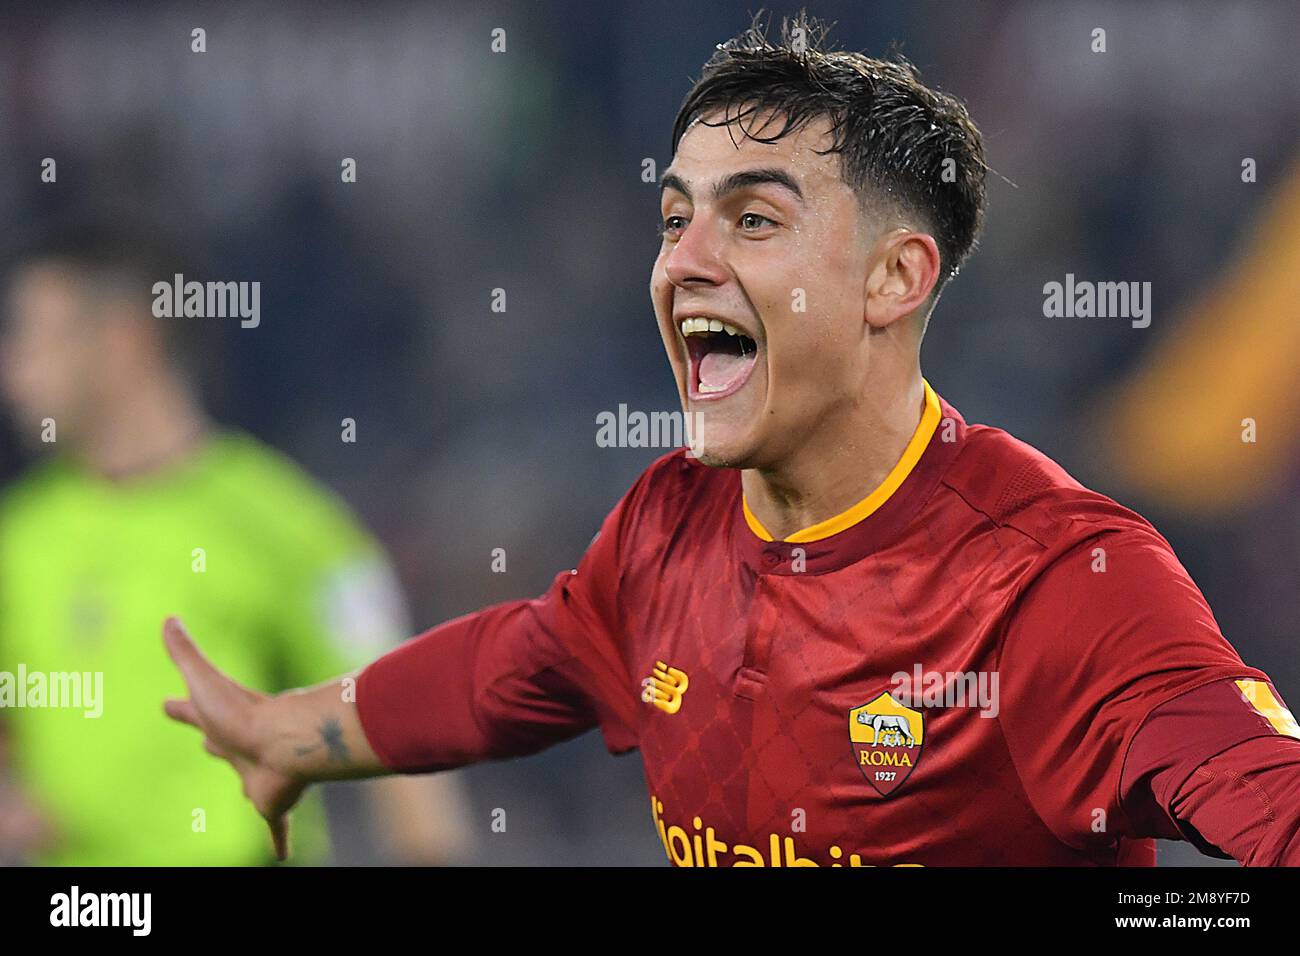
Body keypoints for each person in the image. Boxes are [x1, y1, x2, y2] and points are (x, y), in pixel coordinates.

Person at [163, 19, 1300, 866]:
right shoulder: (666, 526)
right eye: (673, 217)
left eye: (751, 219)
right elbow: (513, 668)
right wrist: (287, 731)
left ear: (893, 279)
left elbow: (1264, 795)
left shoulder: (1056, 579)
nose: (682, 260)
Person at [0, 219, 472, 865]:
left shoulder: (286, 526)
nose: (13, 371)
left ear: (123, 340)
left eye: (36, 339)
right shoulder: (21, 537)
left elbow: (406, 735)